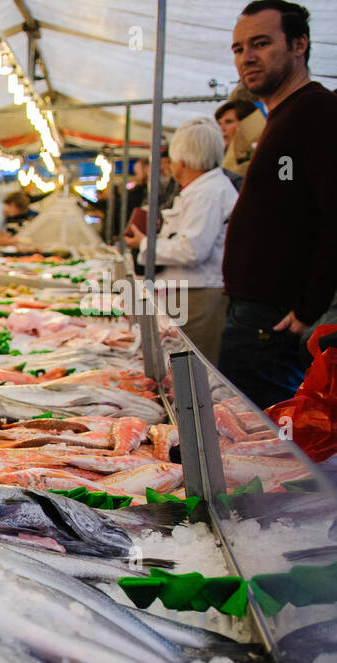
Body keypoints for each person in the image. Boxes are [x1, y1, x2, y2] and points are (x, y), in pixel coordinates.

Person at [219, 0, 337, 408]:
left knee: (260, 437)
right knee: (244, 431)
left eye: (261, 43)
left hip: (273, 323)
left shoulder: (316, 110)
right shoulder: (282, 115)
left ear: (299, 44)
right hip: (256, 317)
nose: (247, 57)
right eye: (238, 48)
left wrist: (308, 309)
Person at [123, 118, 239, 363]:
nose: (170, 165)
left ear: (183, 161)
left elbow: (192, 250)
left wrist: (144, 244)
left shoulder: (206, 193)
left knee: (191, 369)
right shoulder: (202, 189)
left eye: (172, 159)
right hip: (188, 291)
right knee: (179, 364)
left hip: (197, 295)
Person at [215, 95, 267, 177]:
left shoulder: (267, 161)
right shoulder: (214, 161)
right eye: (219, 123)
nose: (221, 128)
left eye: (228, 122)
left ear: (248, 125)